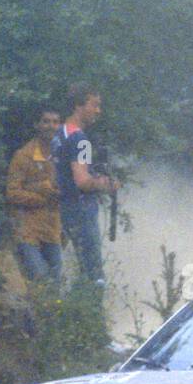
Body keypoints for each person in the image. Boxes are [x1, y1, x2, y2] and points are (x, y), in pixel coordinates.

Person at [51, 85, 119, 284]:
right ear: (78, 106)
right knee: (93, 274)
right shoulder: (81, 140)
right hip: (81, 210)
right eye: (94, 105)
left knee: (58, 267)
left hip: (61, 208)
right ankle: (91, 312)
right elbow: (82, 181)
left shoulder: (59, 134)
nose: (98, 110)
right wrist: (106, 184)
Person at [6, 105, 63, 284]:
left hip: (53, 231)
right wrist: (42, 197)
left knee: (55, 284)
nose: (50, 126)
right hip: (28, 231)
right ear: (36, 125)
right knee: (39, 279)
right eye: (46, 121)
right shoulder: (23, 156)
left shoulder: (63, 156)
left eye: (55, 122)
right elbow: (12, 193)